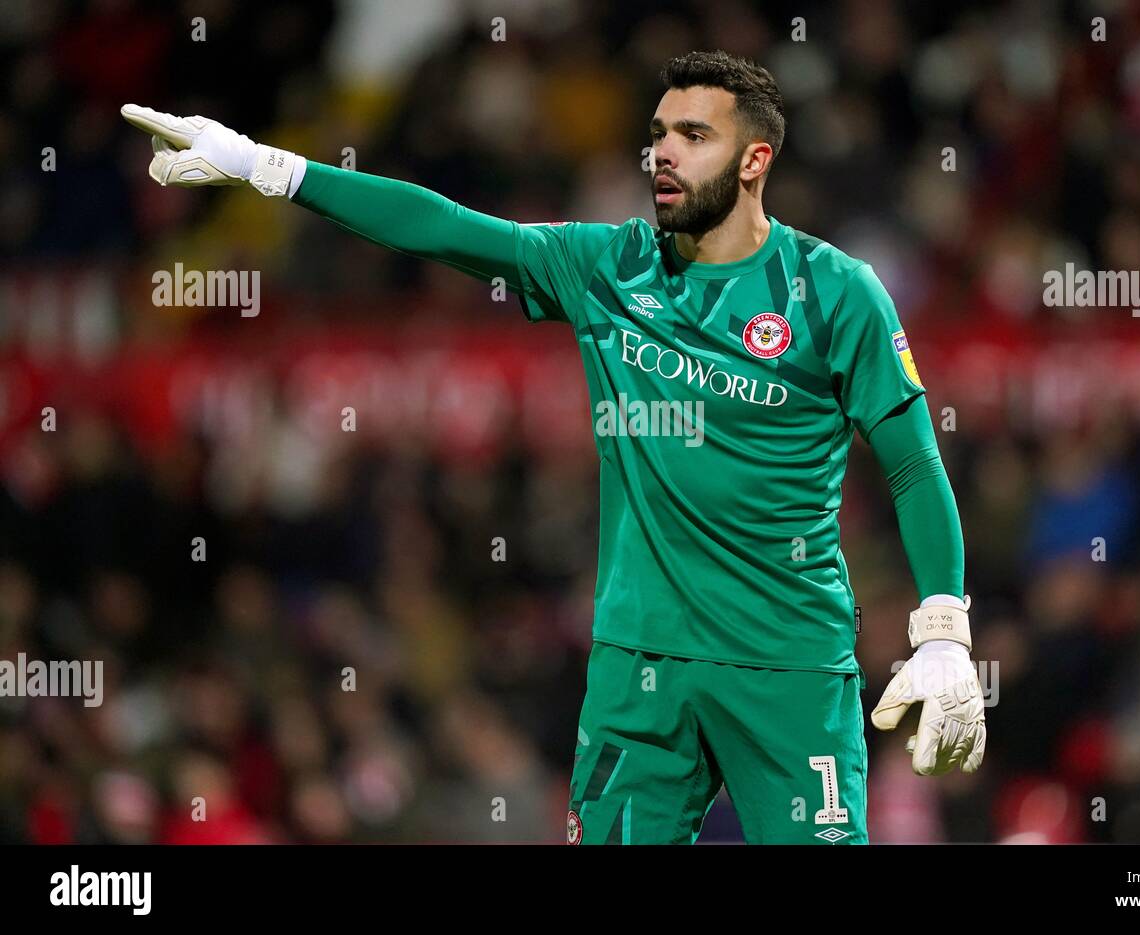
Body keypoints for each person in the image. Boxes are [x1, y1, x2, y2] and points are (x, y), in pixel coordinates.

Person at [121, 49, 985, 845]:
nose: (663, 155)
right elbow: (448, 228)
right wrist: (271, 167)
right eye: (656, 136)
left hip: (789, 663)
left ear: (755, 160)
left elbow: (912, 463)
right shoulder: (607, 266)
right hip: (638, 669)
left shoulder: (836, 292)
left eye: (693, 135)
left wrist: (943, 629)